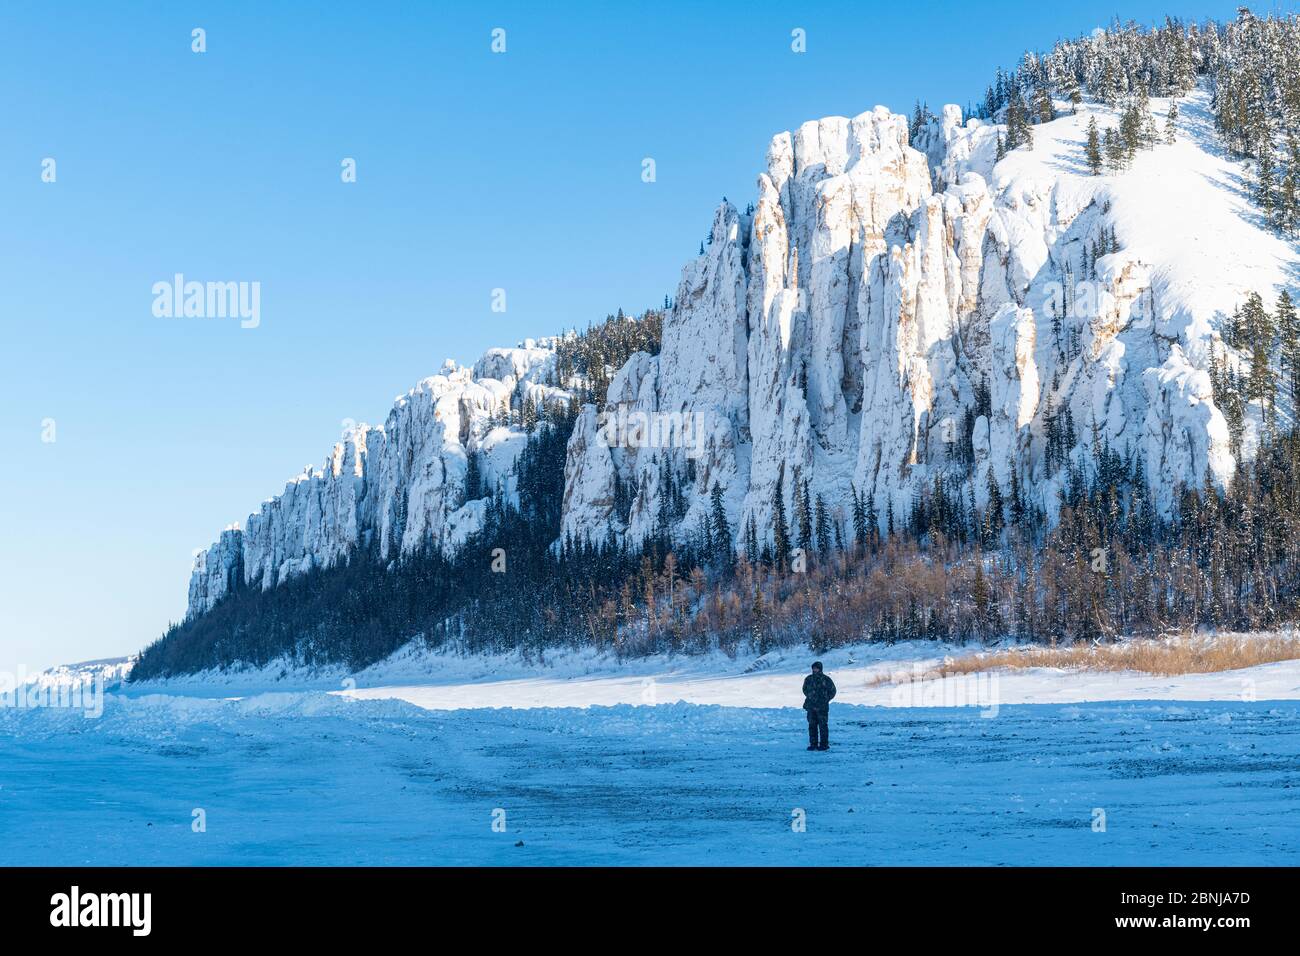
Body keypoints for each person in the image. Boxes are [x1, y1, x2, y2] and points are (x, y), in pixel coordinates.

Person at [802, 661, 836, 751]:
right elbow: (804, 689)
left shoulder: (826, 679)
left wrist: (825, 699)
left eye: (816, 668)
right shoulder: (809, 679)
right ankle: (813, 744)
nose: (815, 670)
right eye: (813, 668)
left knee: (823, 726)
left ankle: (824, 745)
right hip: (811, 706)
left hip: (822, 707)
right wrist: (810, 697)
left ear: (820, 668)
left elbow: (833, 691)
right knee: (812, 726)